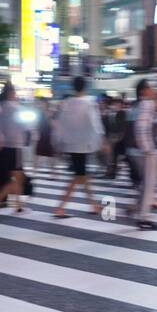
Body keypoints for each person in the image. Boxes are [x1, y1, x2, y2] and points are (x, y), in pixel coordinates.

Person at [52, 77, 105, 219]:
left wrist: (59, 141)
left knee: (82, 175)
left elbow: (61, 123)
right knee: (78, 176)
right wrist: (102, 140)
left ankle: (94, 204)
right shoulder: (89, 102)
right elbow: (95, 123)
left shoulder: (67, 103)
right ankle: (60, 207)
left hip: (70, 144)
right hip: (83, 144)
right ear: (85, 87)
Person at [0, 83, 27, 213]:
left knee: (11, 175)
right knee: (17, 176)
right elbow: (26, 125)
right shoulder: (16, 108)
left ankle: (18, 205)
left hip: (2, 146)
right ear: (11, 93)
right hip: (15, 145)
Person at [130, 80, 157, 230]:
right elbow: (141, 127)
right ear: (143, 91)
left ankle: (141, 212)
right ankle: (144, 217)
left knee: (145, 184)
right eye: (150, 87)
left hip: (135, 150)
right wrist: (147, 148)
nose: (152, 89)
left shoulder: (137, 105)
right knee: (148, 184)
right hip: (145, 151)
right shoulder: (147, 104)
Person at [34, 98, 57, 178]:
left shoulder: (50, 113)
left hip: (48, 136)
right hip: (41, 136)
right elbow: (37, 124)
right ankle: (35, 171)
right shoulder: (40, 113)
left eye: (42, 104)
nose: (41, 105)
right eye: (40, 104)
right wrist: (35, 131)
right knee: (38, 154)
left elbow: (53, 125)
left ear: (46, 104)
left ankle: (53, 173)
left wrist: (49, 118)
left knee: (50, 155)